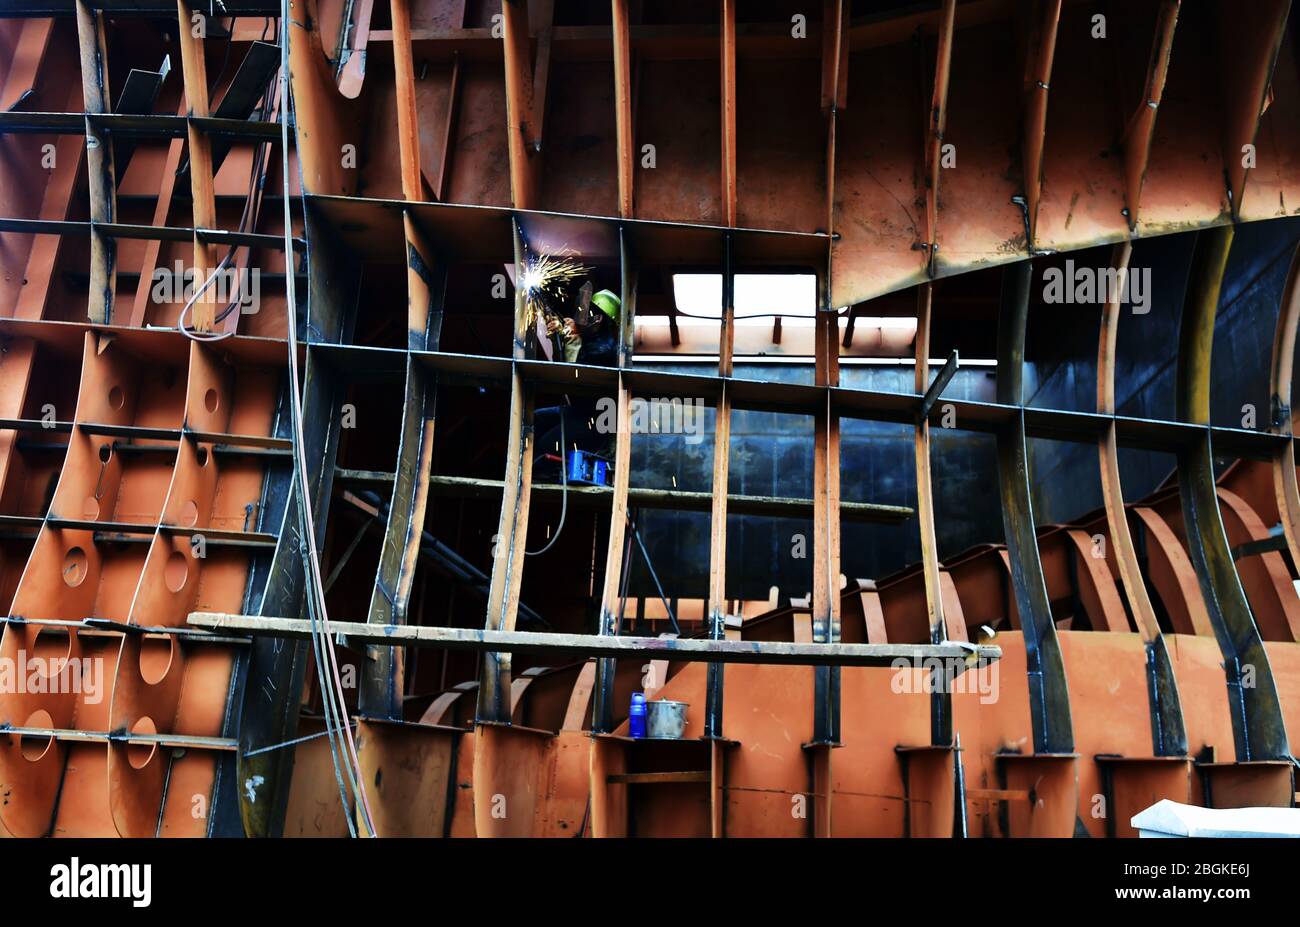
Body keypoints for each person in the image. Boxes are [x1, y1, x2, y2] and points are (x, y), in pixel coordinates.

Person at [534, 288, 620, 479]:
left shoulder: (602, 351)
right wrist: (561, 343)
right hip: (581, 412)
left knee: (547, 445)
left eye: (584, 311)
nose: (579, 315)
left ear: (597, 319)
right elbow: (562, 374)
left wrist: (572, 344)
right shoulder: (589, 342)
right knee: (537, 418)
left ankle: (550, 477)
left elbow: (572, 385)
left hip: (596, 422)